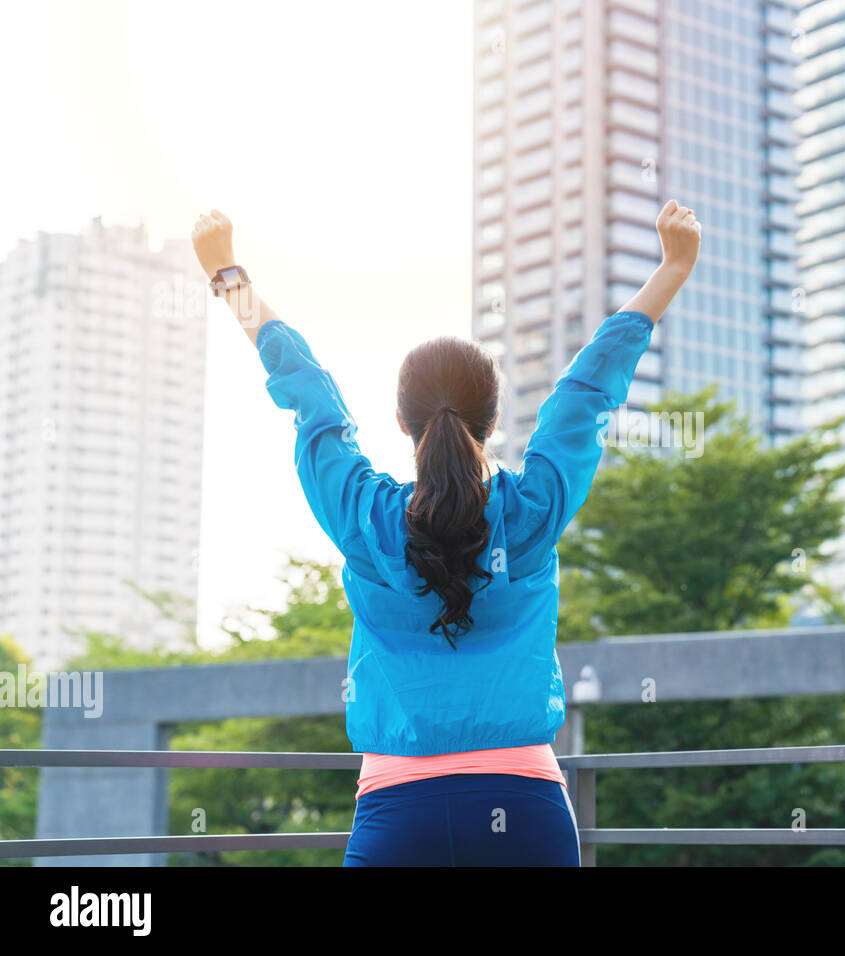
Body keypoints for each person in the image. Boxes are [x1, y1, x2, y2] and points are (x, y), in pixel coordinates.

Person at [191, 200, 702, 866]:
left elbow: (312, 400)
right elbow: (585, 394)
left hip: (398, 814)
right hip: (525, 809)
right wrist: (674, 267)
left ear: (402, 425)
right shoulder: (531, 510)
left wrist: (230, 275)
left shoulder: (365, 517)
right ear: (490, 422)